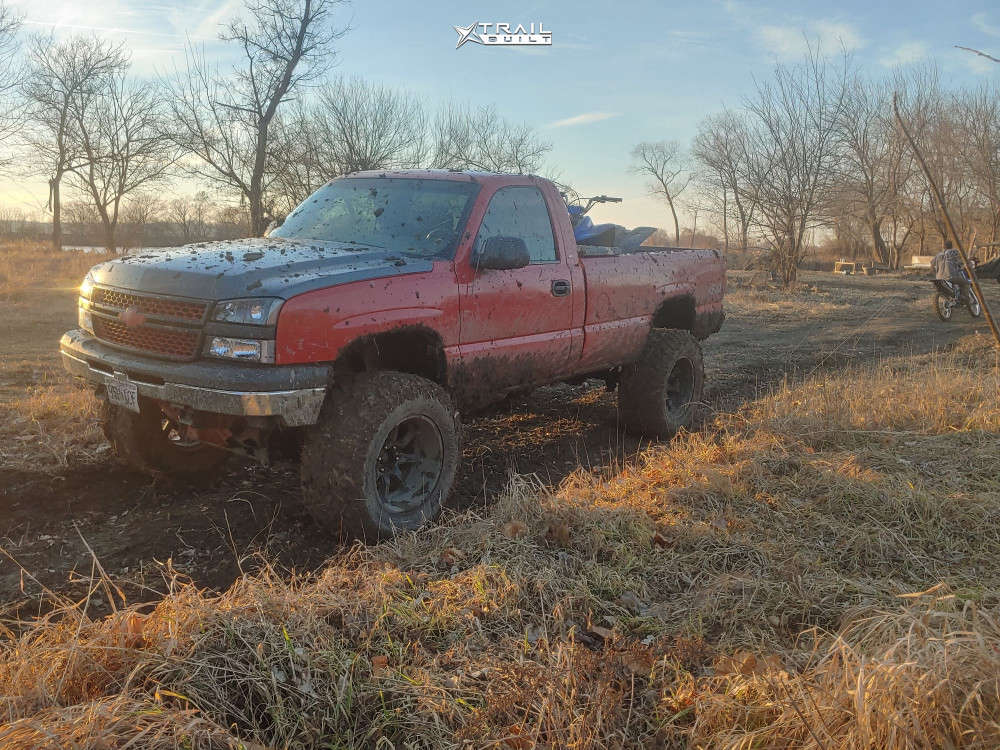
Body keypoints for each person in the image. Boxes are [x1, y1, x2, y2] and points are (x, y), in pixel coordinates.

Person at [932, 239, 971, 303]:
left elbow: (932, 267)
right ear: (951, 246)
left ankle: (951, 298)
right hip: (951, 276)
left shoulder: (938, 255)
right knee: (966, 283)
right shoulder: (954, 252)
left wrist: (936, 274)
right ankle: (965, 299)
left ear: (943, 246)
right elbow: (962, 261)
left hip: (939, 278)